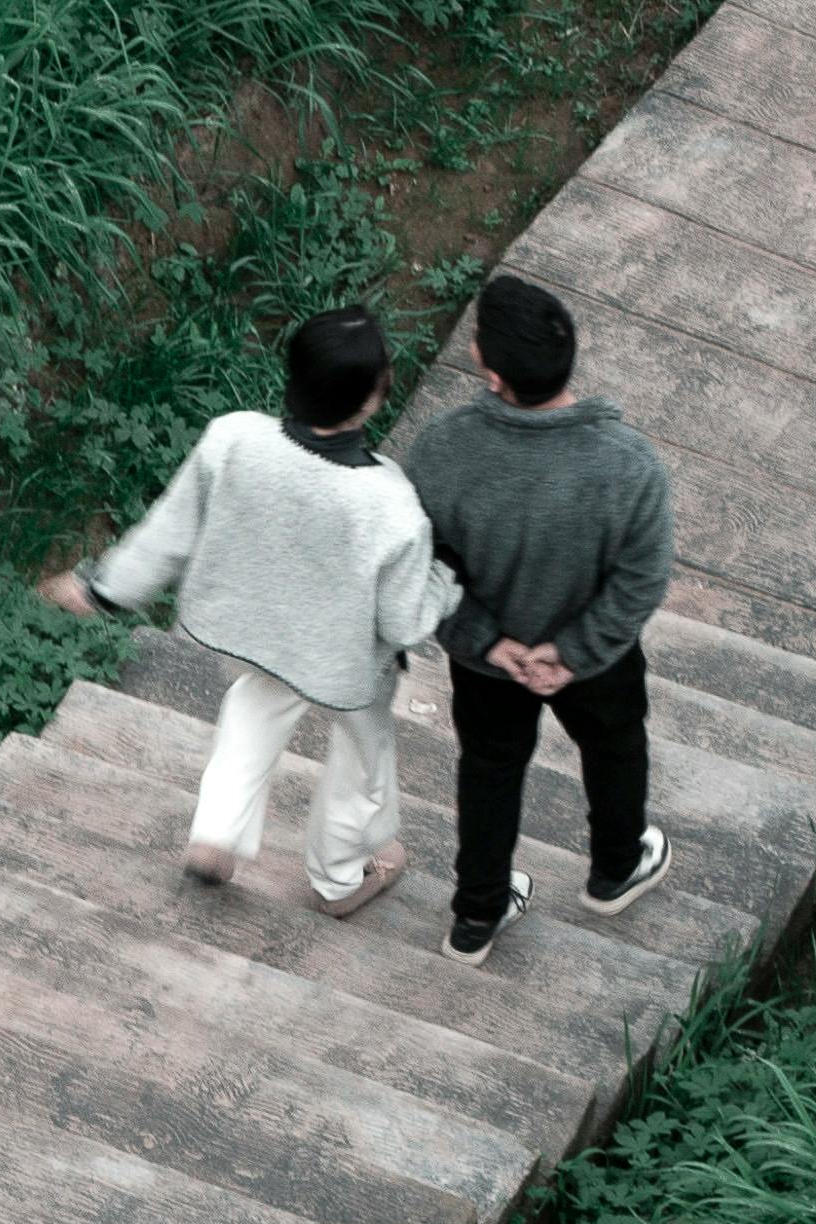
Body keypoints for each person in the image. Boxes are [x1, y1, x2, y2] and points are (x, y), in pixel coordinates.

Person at [37, 305, 456, 918]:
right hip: (340, 664)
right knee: (364, 759)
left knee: (254, 709)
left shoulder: (233, 438)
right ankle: (340, 877)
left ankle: (217, 832)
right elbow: (403, 621)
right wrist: (446, 584)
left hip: (251, 632)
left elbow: (169, 532)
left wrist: (103, 589)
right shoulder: (390, 504)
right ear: (370, 401)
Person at [400, 271, 674, 964]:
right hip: (596, 661)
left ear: (490, 373)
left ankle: (476, 915)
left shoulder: (439, 452)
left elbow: (419, 569)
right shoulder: (629, 466)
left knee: (489, 772)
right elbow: (642, 578)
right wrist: (572, 653)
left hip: (486, 665)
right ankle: (615, 869)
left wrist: (489, 644)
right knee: (615, 751)